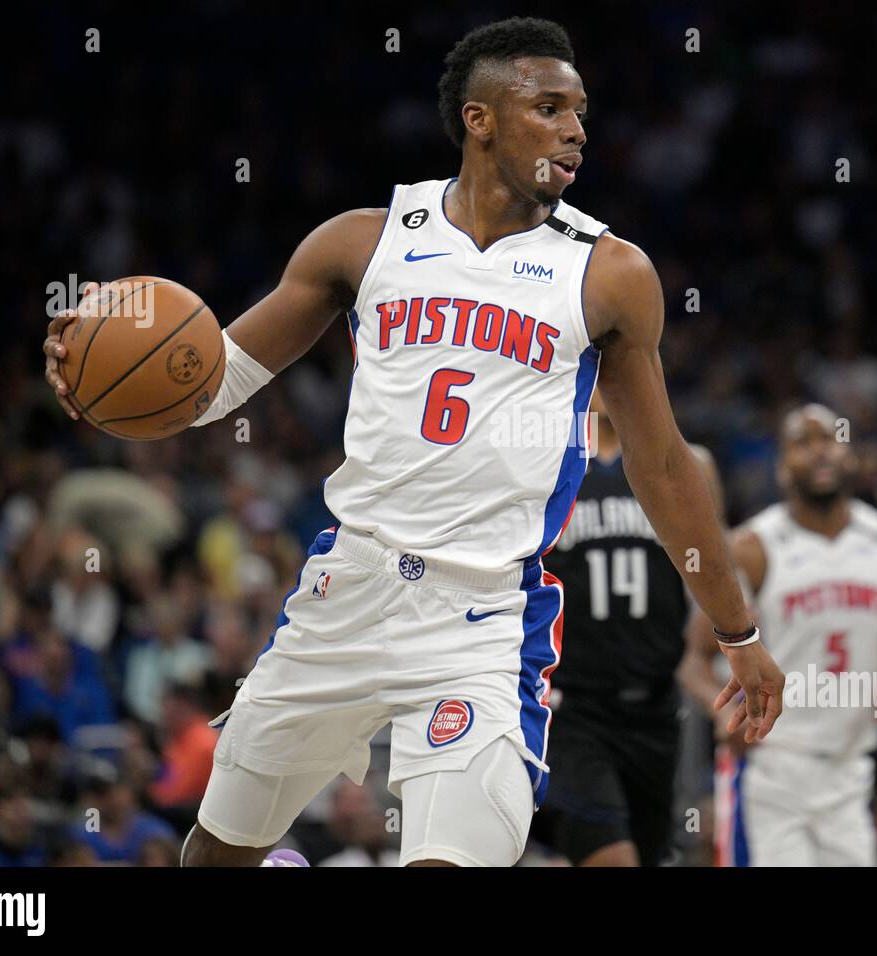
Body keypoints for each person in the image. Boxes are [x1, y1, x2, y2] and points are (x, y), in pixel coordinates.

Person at [43, 17, 783, 868]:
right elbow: (214, 385)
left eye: (580, 111)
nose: (577, 129)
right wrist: (98, 366)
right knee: (214, 855)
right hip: (346, 587)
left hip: (482, 616)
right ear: (481, 120)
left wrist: (737, 633)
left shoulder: (609, 272)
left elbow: (660, 465)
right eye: (549, 108)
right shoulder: (362, 240)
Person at [682, 404, 877, 866]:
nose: (820, 452)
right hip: (771, 767)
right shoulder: (752, 547)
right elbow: (692, 659)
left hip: (850, 769)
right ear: (782, 467)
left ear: (851, 455)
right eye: (802, 443)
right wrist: (721, 712)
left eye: (830, 439)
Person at [529, 390, 723, 865]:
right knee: (610, 854)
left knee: (648, 853)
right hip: (574, 707)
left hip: (656, 707)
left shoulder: (686, 462)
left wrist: (704, 659)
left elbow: (715, 571)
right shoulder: (548, 459)